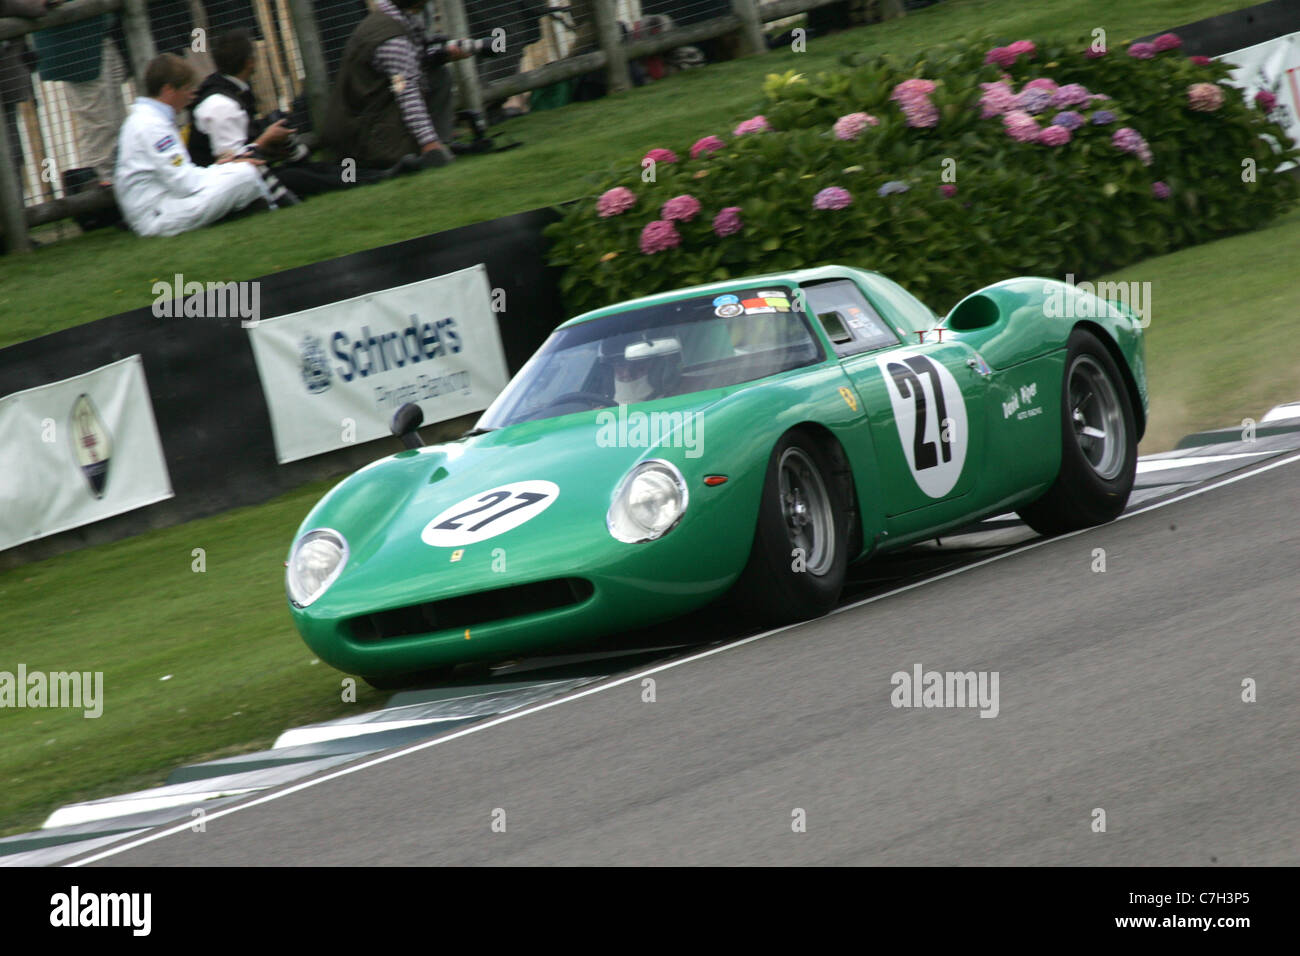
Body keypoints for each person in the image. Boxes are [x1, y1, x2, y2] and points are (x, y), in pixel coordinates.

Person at [190, 29, 413, 195]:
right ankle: (378, 179)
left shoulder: (230, 92)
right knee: (300, 176)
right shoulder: (221, 105)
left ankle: (383, 175)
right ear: (250, 62)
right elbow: (232, 167)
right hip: (225, 188)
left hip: (240, 175)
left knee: (314, 168)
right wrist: (265, 141)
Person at [113, 53, 286, 237]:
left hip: (164, 203)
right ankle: (275, 212)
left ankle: (262, 211)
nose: (190, 95)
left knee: (242, 171)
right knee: (244, 175)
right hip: (158, 214)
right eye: (187, 88)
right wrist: (223, 168)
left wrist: (222, 168)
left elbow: (182, 178)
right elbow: (185, 183)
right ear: (169, 90)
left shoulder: (147, 119)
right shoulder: (151, 126)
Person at [321, 0, 469, 172]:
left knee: (437, 75)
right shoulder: (393, 39)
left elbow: (412, 66)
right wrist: (429, 144)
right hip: (364, 139)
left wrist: (444, 54)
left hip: (367, 120)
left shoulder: (391, 18)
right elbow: (407, 93)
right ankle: (432, 149)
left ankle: (442, 144)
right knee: (420, 86)